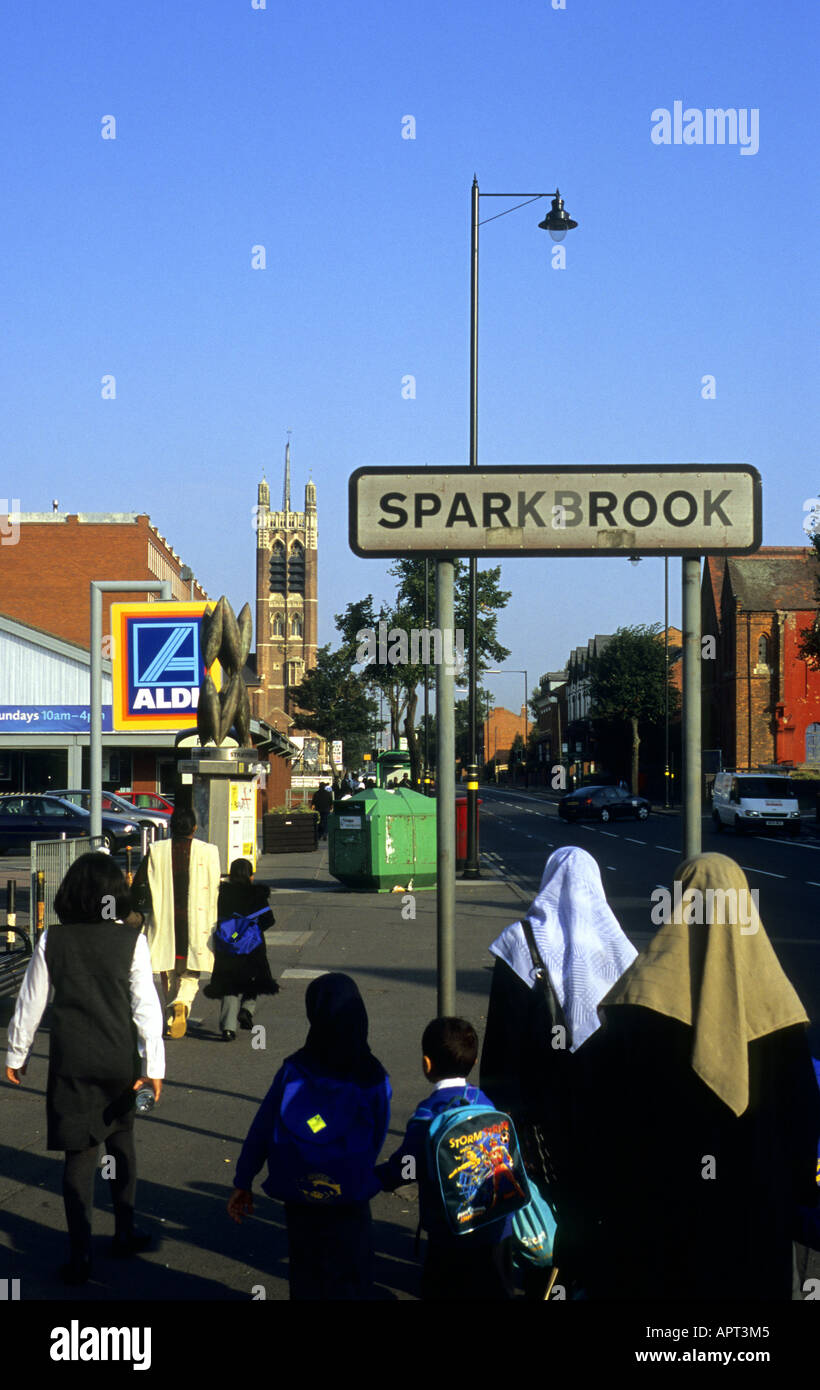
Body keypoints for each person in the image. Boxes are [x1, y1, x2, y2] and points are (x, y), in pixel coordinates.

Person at [560, 853, 820, 1300]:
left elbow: (597, 1127)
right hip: (754, 1232)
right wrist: (793, 1196)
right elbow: (803, 1128)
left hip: (654, 1232)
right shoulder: (780, 1014)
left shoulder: (635, 1009)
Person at [5, 852, 164, 1284]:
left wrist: (17, 1053)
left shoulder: (53, 940)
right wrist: (154, 1065)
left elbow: (31, 1002)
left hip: (72, 1063)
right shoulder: (131, 940)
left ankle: (80, 1255)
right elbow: (146, 1006)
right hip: (119, 1062)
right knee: (121, 1143)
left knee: (79, 1156)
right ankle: (125, 1229)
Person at [480, 845, 637, 1211]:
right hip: (602, 1110)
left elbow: (501, 1044)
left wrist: (502, 1117)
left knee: (543, 1214)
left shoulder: (520, 943)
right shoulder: (617, 947)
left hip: (539, 1114)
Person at [227, 973, 390, 1299]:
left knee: (307, 1267)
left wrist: (243, 1180)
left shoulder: (293, 1069)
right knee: (353, 1266)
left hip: (299, 1188)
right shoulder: (372, 1073)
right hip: (350, 1188)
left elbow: (261, 1128)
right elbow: (379, 1133)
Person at [378, 1016, 515, 1301]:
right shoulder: (485, 1102)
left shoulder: (427, 1114)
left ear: (427, 1065)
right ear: (474, 1062)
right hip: (497, 1225)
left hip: (449, 1231)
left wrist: (378, 1177)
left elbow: (407, 1168)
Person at [131, 808, 221, 1038]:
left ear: (170, 827)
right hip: (198, 919)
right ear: (194, 828)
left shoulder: (156, 850)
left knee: (168, 969)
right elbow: (217, 888)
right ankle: (181, 1003)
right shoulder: (209, 851)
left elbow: (140, 884)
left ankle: (172, 1018)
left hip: (165, 919)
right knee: (191, 971)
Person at [203, 858, 279, 1040]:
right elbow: (269, 919)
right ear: (250, 876)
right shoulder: (257, 895)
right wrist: (253, 929)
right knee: (254, 980)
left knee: (230, 984)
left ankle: (228, 1028)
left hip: (228, 945)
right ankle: (246, 1009)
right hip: (252, 946)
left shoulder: (222, 894)